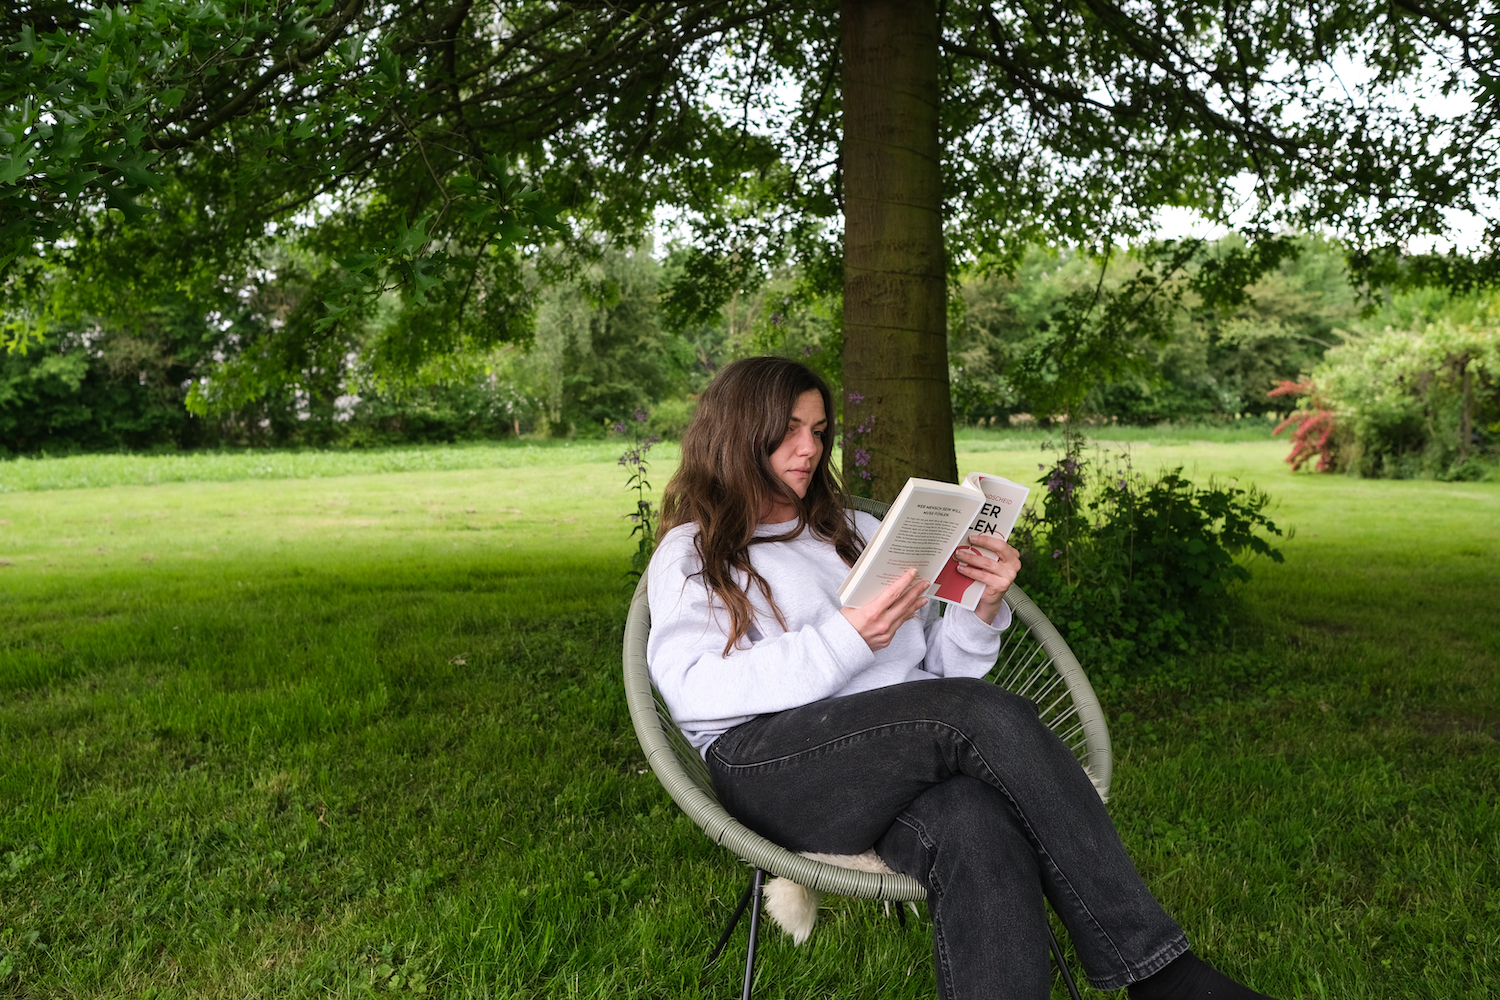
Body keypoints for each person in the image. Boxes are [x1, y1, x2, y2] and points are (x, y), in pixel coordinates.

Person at [646, 356, 1279, 1000]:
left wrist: (979, 606)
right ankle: (1157, 972)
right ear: (737, 431)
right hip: (768, 767)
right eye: (788, 430)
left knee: (974, 820)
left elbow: (934, 680)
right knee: (966, 713)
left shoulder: (856, 533)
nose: (809, 448)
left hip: (890, 764)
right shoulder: (694, 551)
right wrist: (847, 638)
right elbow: (692, 689)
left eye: (819, 429)